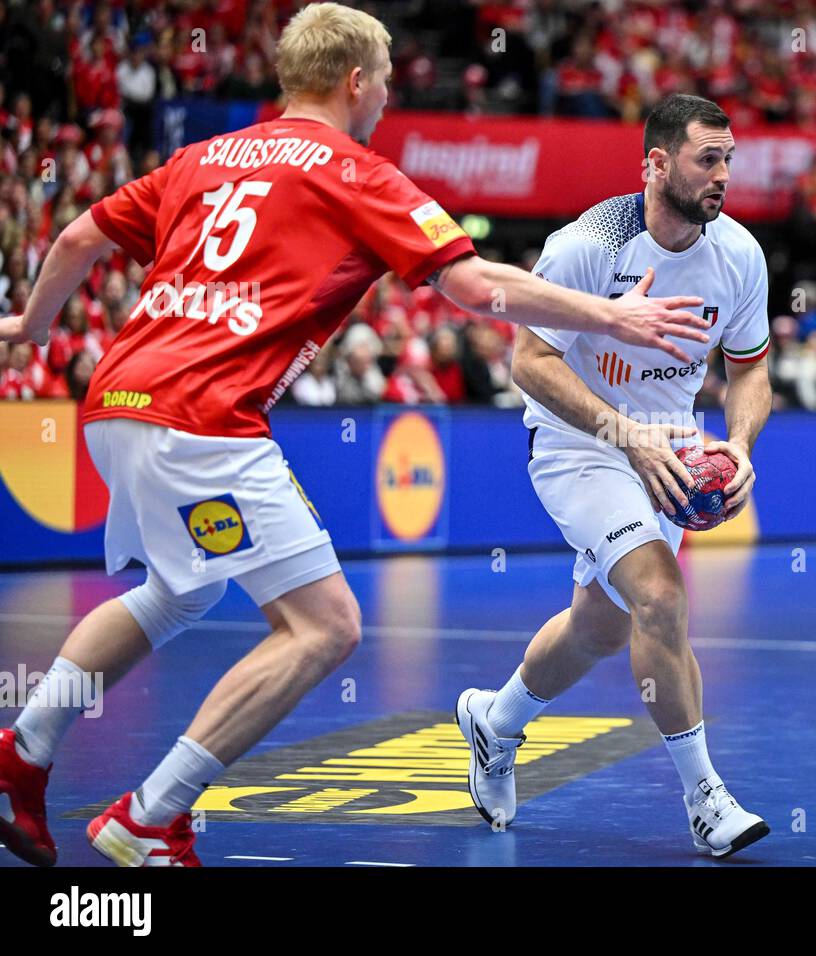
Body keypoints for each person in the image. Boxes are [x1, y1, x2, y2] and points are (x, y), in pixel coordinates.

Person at [0, 2, 707, 868]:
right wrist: (610, 314)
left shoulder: (200, 158)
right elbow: (477, 285)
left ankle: (22, 752)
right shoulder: (352, 170)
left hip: (115, 401)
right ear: (355, 81)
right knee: (324, 626)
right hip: (205, 418)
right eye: (382, 84)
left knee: (179, 592)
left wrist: (36, 326)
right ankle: (151, 815)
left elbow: (77, 235)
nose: (383, 102)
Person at [456, 94, 772, 858]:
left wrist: (738, 443)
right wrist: (623, 435)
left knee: (601, 626)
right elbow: (528, 363)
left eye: (729, 159)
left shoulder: (741, 255)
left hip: (668, 449)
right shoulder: (589, 245)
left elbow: (752, 365)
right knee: (659, 598)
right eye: (707, 159)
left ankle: (494, 725)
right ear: (656, 164)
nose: (723, 175)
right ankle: (705, 799)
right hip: (582, 442)